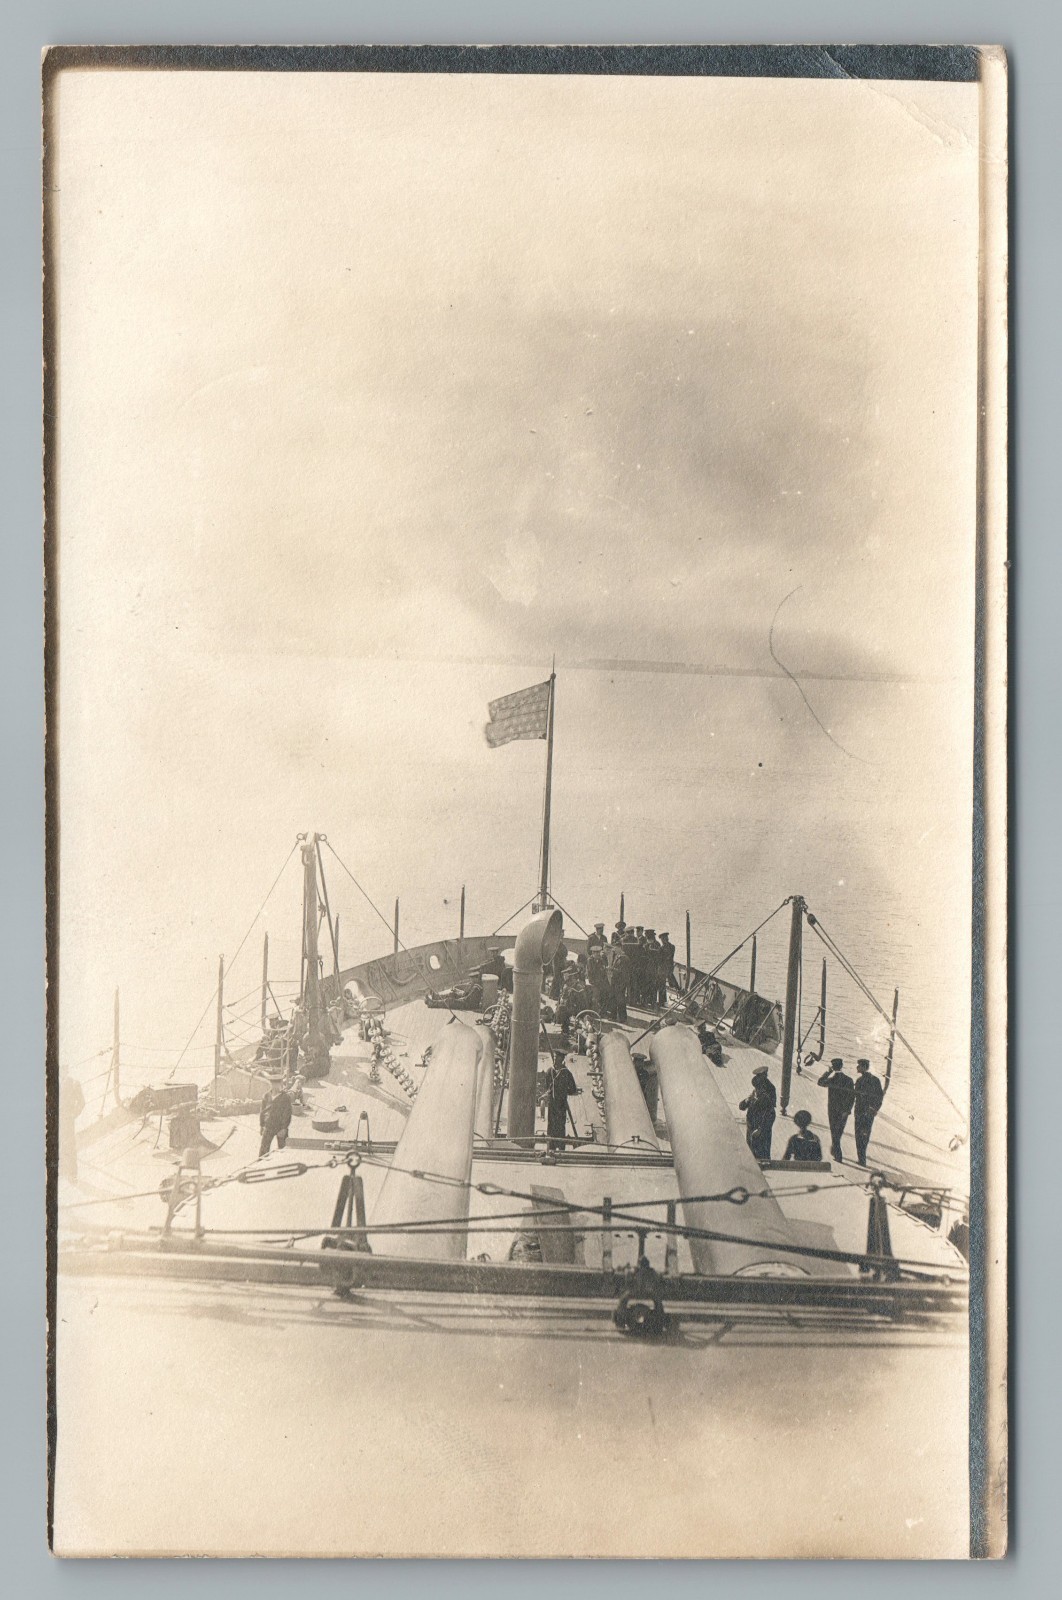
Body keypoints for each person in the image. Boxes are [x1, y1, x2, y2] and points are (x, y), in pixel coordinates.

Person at [817, 1056, 856, 1162]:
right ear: (842, 1066)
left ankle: (838, 1155)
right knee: (838, 1132)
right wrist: (847, 1110)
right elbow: (852, 1097)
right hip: (843, 1111)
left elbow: (820, 1082)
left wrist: (828, 1072)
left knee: (834, 1131)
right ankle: (835, 1150)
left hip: (832, 1110)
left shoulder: (832, 1080)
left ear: (833, 1067)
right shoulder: (849, 1080)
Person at [542, 1055, 581, 1151]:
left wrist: (563, 1092)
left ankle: (560, 1147)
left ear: (561, 1060)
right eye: (555, 1059)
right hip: (552, 1103)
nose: (555, 1061)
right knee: (551, 1125)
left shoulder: (566, 1073)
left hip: (561, 1104)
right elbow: (547, 1086)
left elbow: (573, 1089)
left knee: (560, 1125)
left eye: (557, 1059)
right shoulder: (549, 1072)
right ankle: (551, 1147)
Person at [739, 1065, 777, 1160]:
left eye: (758, 1089)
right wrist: (748, 1100)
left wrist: (760, 1129)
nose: (756, 1091)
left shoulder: (766, 1098)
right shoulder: (754, 1095)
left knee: (762, 1155)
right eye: (756, 1089)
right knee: (751, 1154)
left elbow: (770, 1115)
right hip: (751, 1129)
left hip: (761, 1132)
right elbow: (741, 1106)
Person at [853, 1057, 885, 1165]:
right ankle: (862, 1158)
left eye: (859, 1066)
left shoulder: (859, 1081)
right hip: (869, 1113)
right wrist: (875, 1109)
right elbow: (880, 1097)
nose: (857, 1067)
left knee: (859, 1135)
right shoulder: (875, 1080)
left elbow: (855, 1095)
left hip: (860, 1112)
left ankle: (861, 1159)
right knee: (865, 1134)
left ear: (863, 1067)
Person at [259, 1083, 293, 1157]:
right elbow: (262, 1111)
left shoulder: (286, 1097)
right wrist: (262, 1126)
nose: (275, 1086)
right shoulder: (266, 1095)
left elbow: (287, 1113)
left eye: (277, 1084)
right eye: (273, 1084)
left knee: (283, 1150)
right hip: (268, 1126)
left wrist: (284, 1128)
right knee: (263, 1151)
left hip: (280, 1127)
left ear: (280, 1084)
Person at [607, 941, 631, 1022]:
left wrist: (612, 969)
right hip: (615, 982)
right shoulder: (618, 956)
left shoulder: (624, 958)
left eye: (616, 948)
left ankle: (622, 1018)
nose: (614, 949)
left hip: (620, 983)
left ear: (620, 947)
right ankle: (613, 1016)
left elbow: (623, 972)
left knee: (620, 1000)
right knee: (613, 999)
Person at [586, 944, 612, 1017]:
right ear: (593, 953)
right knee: (596, 996)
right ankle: (595, 1012)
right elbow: (591, 971)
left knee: (606, 993)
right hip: (593, 981)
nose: (597, 954)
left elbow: (603, 970)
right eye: (596, 953)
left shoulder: (600, 960)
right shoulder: (590, 960)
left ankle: (603, 1011)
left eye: (598, 952)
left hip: (601, 981)